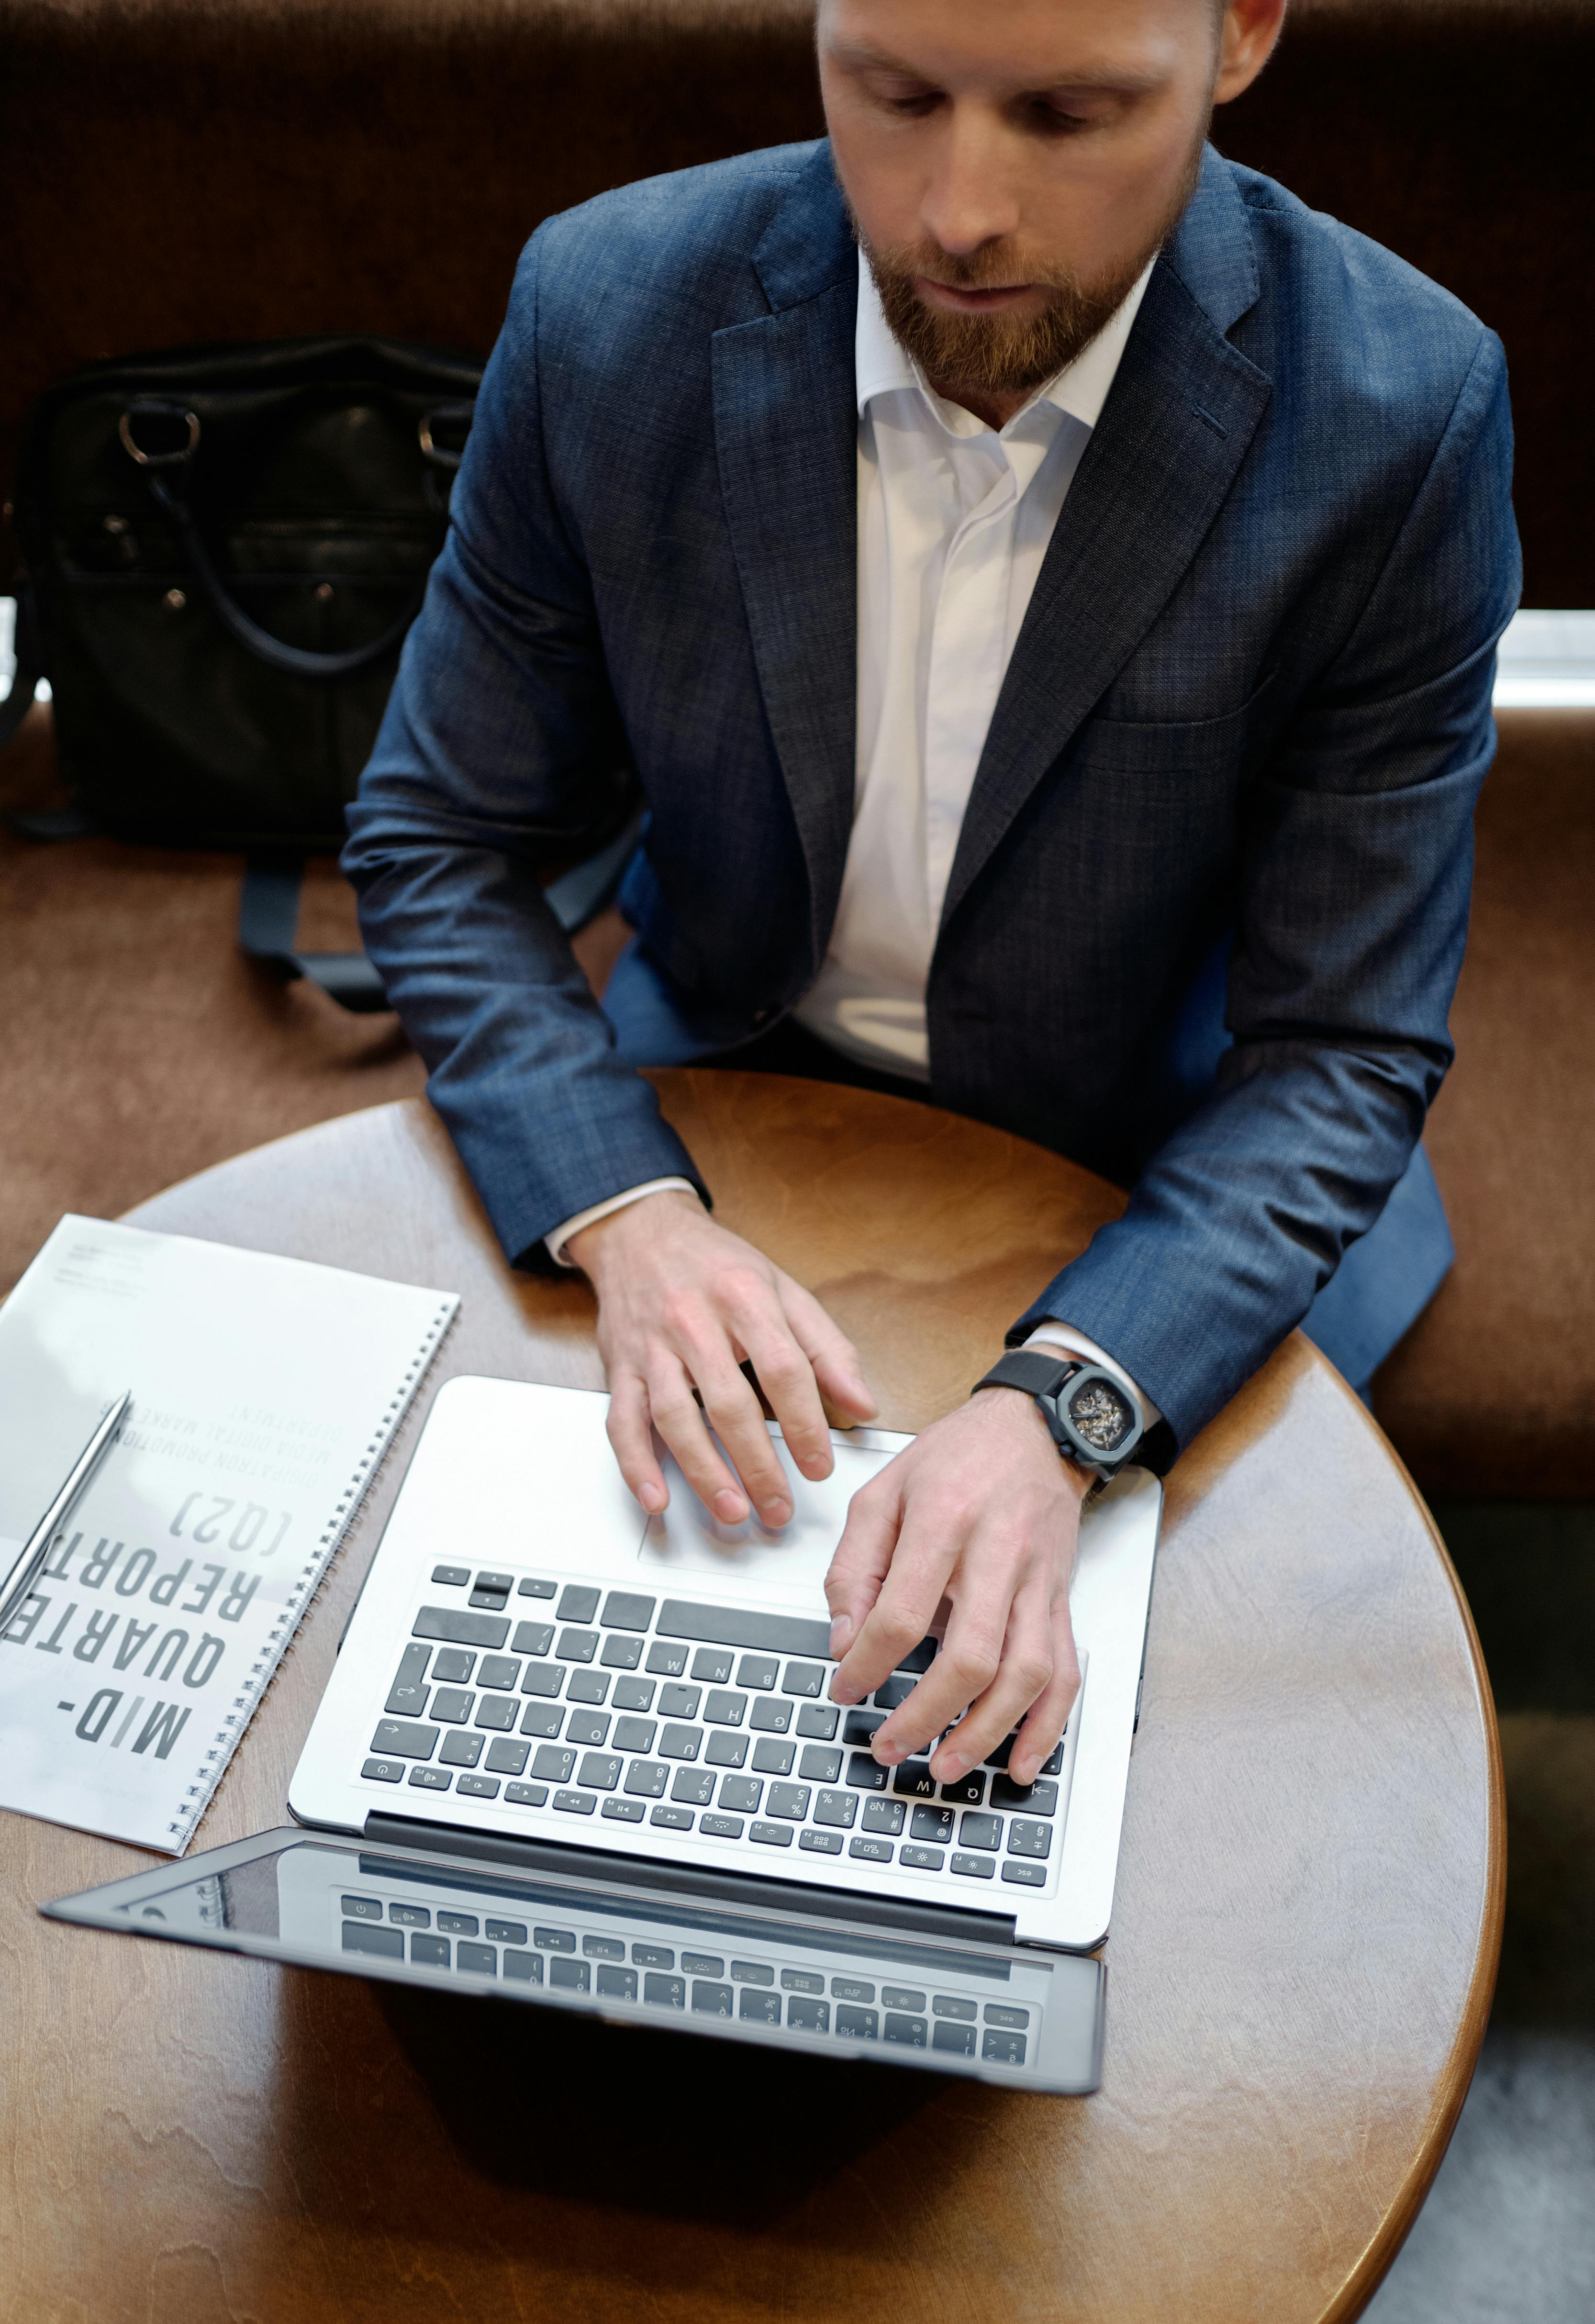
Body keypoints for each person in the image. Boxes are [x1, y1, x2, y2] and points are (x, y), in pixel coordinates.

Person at [345, 0, 1518, 1792]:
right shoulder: (606, 310)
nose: (957, 211)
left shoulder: (1401, 409)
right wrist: (625, 1212)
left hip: (1170, 1169)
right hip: (722, 1087)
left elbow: (1341, 1046)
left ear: (1244, 34)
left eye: (1066, 113)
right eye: (893, 96)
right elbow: (439, 840)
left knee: (1158, 1796)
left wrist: (1069, 1407)